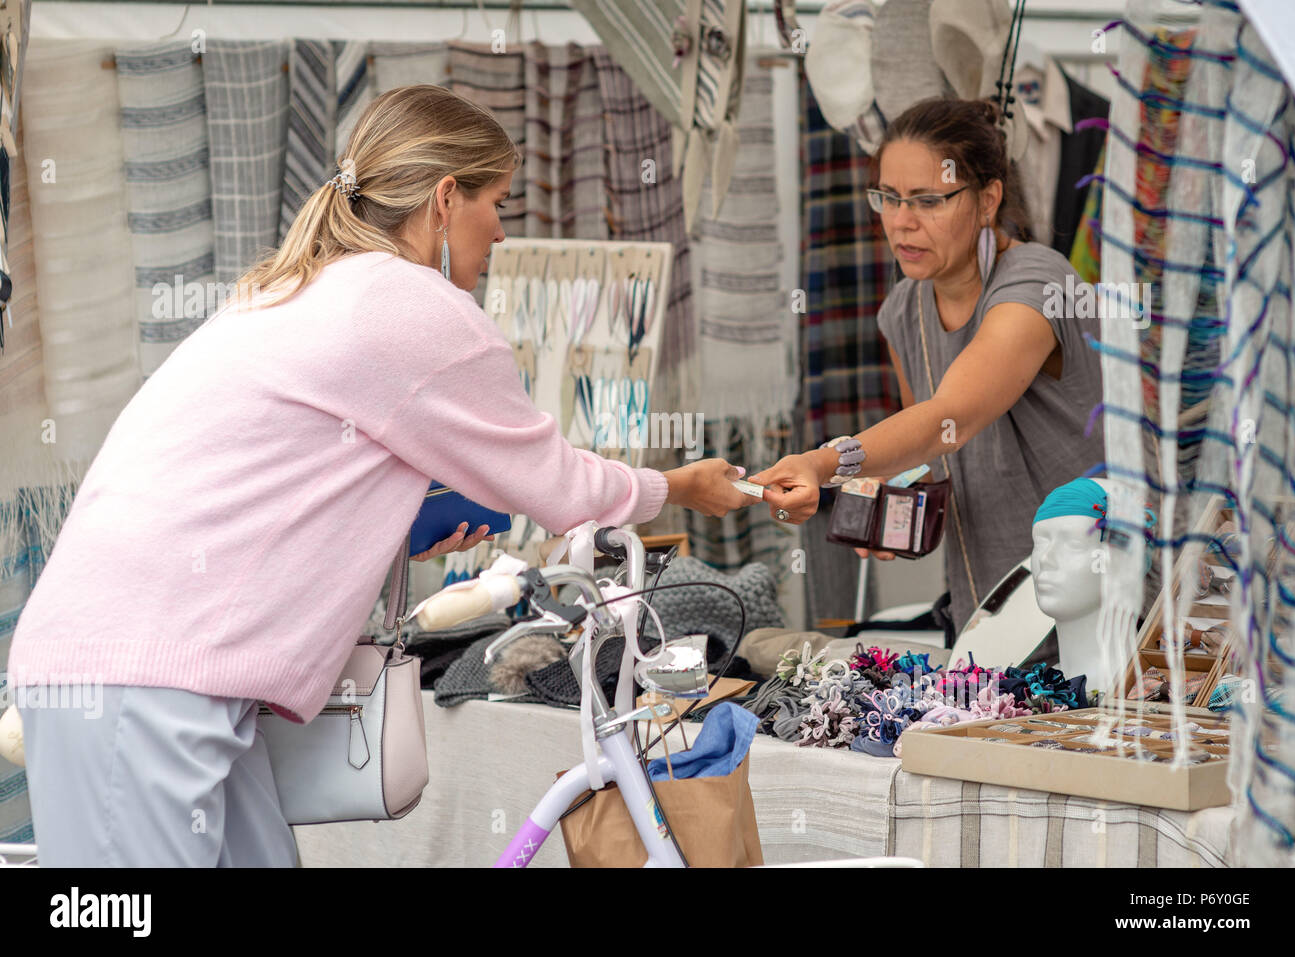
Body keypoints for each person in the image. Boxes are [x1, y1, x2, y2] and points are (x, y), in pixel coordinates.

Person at [7, 85, 749, 867]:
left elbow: (270, 489)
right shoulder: (407, 304)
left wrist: (387, 530)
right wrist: (683, 486)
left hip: (153, 665)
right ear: (443, 198)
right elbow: (560, 487)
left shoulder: (298, 289)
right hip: (141, 674)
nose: (502, 227)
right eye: (496, 200)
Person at [755, 97, 1104, 634]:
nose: (901, 222)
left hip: (1095, 607)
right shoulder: (903, 310)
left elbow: (953, 416)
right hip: (987, 619)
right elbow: (937, 451)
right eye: (889, 198)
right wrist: (890, 499)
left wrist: (825, 463)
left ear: (987, 200)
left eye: (927, 200)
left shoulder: (1039, 283)